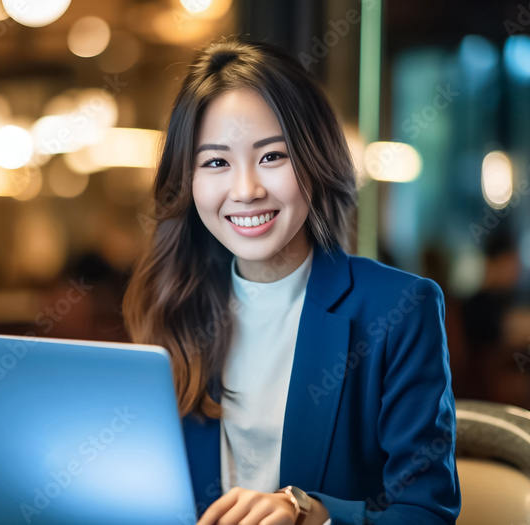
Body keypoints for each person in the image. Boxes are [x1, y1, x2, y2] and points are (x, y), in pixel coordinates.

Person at [122, 39, 460, 525]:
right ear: (188, 181)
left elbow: (425, 513)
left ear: (314, 160)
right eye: (216, 162)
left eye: (272, 156)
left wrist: (310, 514)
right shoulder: (173, 304)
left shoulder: (399, 307)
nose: (246, 191)